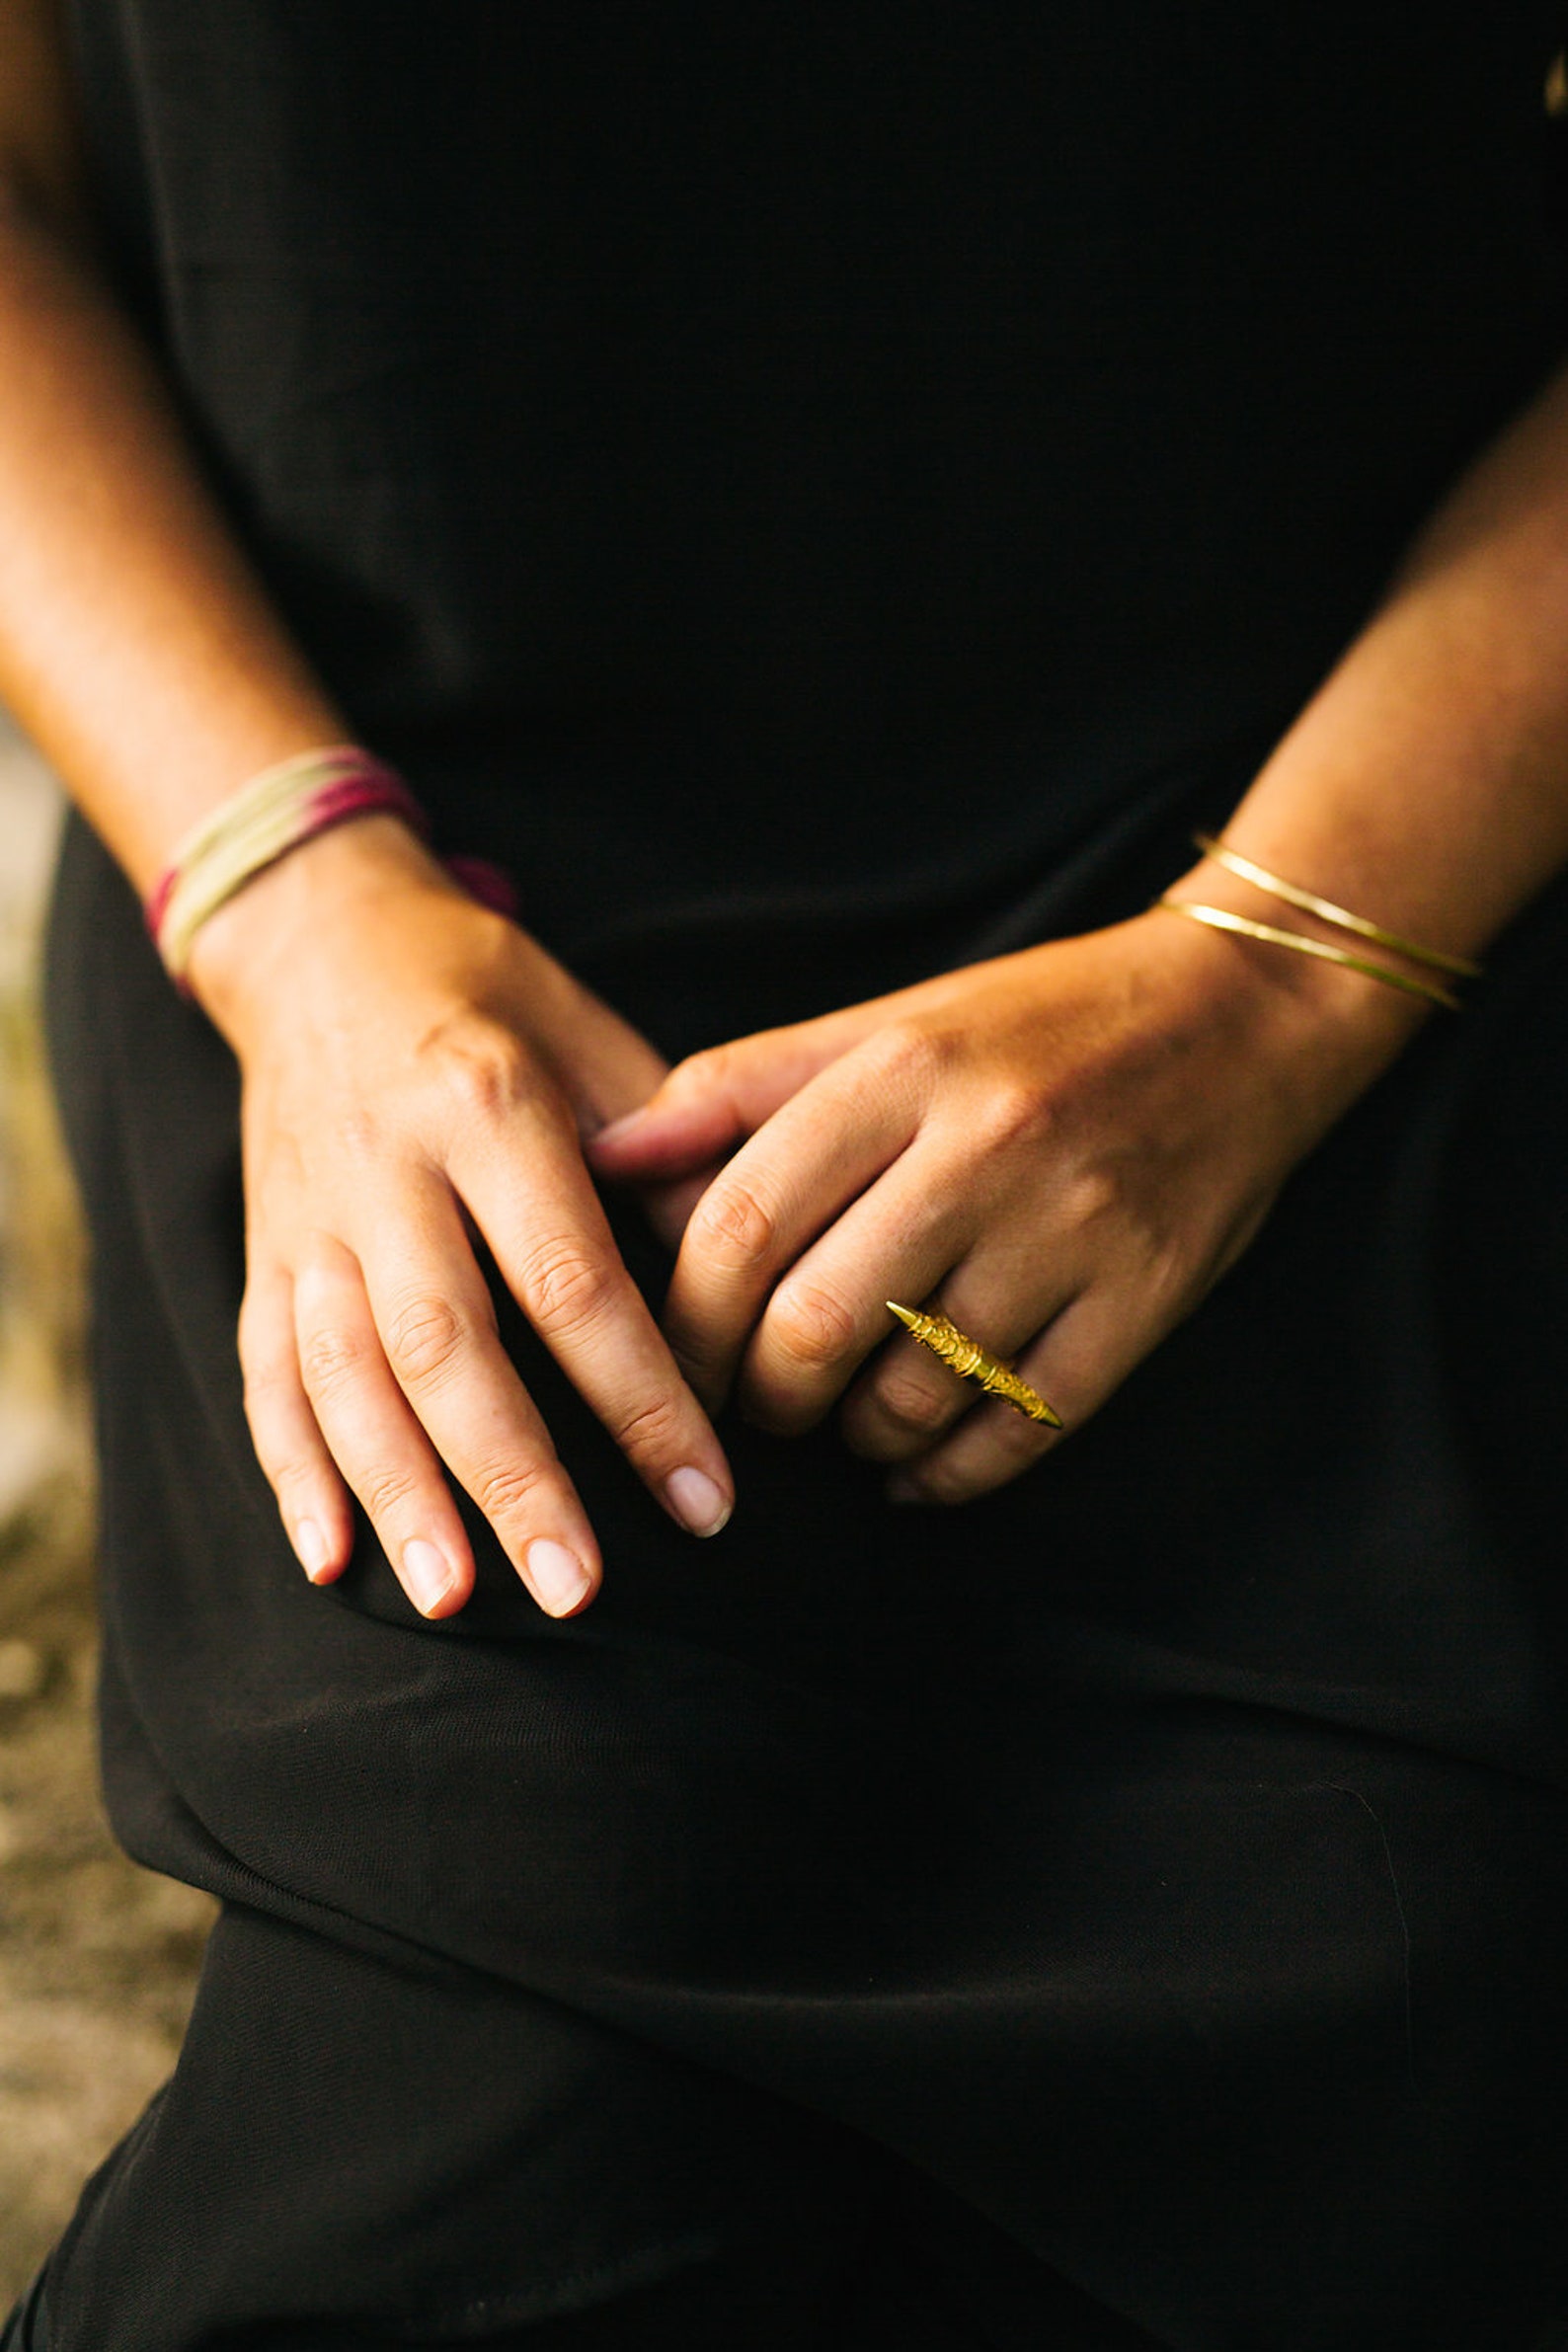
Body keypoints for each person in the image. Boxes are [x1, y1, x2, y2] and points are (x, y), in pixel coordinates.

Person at [2, 1, 1567, 2344]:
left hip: (1379, 834)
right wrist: (297, 912)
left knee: (1396, 2081)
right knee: (455, 2213)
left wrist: (1275, 984)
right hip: (408, 923)